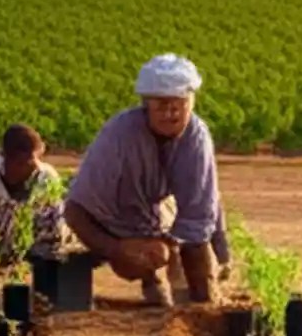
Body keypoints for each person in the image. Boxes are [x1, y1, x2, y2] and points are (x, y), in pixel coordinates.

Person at [63, 54, 230, 307]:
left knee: (196, 263)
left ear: (192, 102)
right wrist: (116, 249)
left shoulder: (196, 136)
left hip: (160, 208)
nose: (171, 113)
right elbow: (76, 209)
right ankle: (156, 293)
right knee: (143, 259)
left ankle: (199, 311)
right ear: (146, 105)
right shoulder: (119, 136)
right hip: (112, 216)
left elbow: (200, 212)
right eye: (162, 106)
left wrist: (197, 261)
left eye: (179, 105)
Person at [0, 124, 70, 269]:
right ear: (6, 158)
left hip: (31, 241)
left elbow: (53, 225)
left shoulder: (46, 178)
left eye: (34, 160)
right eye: (23, 162)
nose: (32, 166)